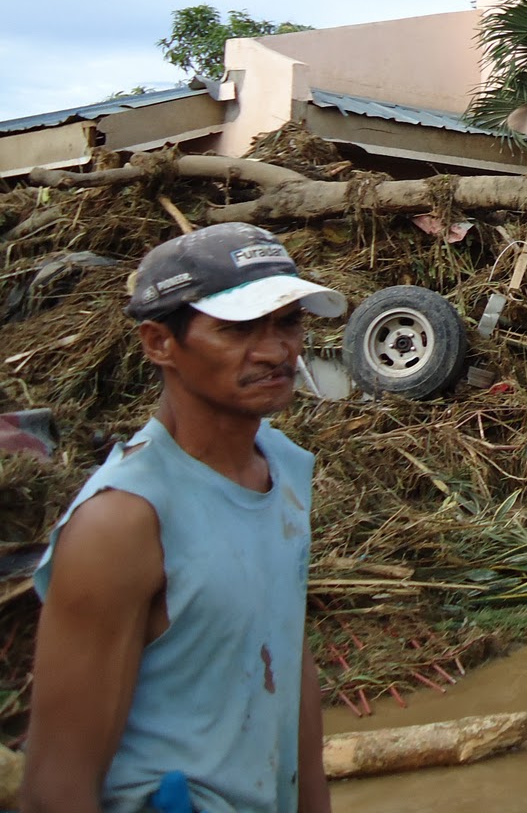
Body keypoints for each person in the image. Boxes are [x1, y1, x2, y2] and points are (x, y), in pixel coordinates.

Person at [22, 223, 345, 813]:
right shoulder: (123, 522)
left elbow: (284, 656)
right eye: (238, 329)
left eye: (288, 323)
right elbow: (57, 784)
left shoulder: (284, 469)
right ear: (159, 343)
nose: (275, 351)